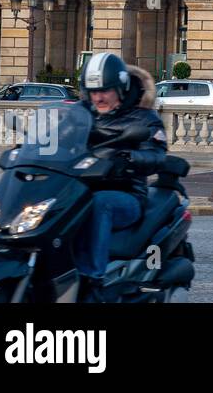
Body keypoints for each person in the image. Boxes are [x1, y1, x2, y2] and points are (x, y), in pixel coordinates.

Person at [75, 51, 168, 301]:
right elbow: (57, 137)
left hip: (126, 194)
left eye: (105, 90)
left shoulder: (145, 118)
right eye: (93, 91)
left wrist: (129, 159)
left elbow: (157, 155)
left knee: (100, 204)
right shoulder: (80, 113)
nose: (99, 97)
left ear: (121, 88)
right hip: (78, 189)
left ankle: (92, 278)